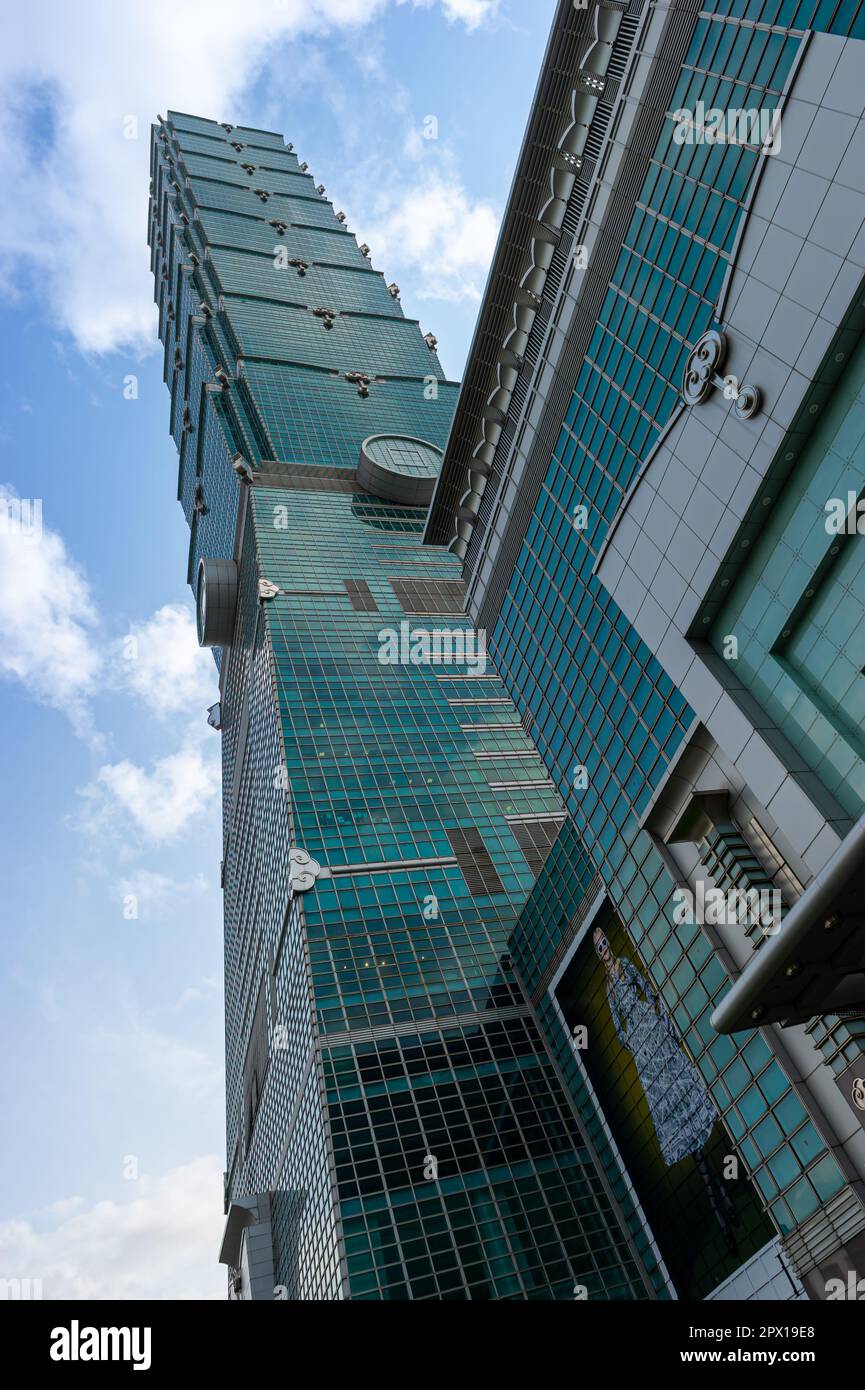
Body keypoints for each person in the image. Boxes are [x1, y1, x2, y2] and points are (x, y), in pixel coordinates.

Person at [593, 925, 737, 1251]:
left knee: (689, 1107)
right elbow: (618, 1029)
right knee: (688, 1140)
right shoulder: (607, 988)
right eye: (599, 947)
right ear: (597, 953)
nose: (604, 948)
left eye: (604, 942)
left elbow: (649, 989)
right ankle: (723, 1205)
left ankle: (725, 1203)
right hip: (644, 1047)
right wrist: (634, 1041)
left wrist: (654, 1018)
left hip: (654, 1032)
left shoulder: (626, 964)